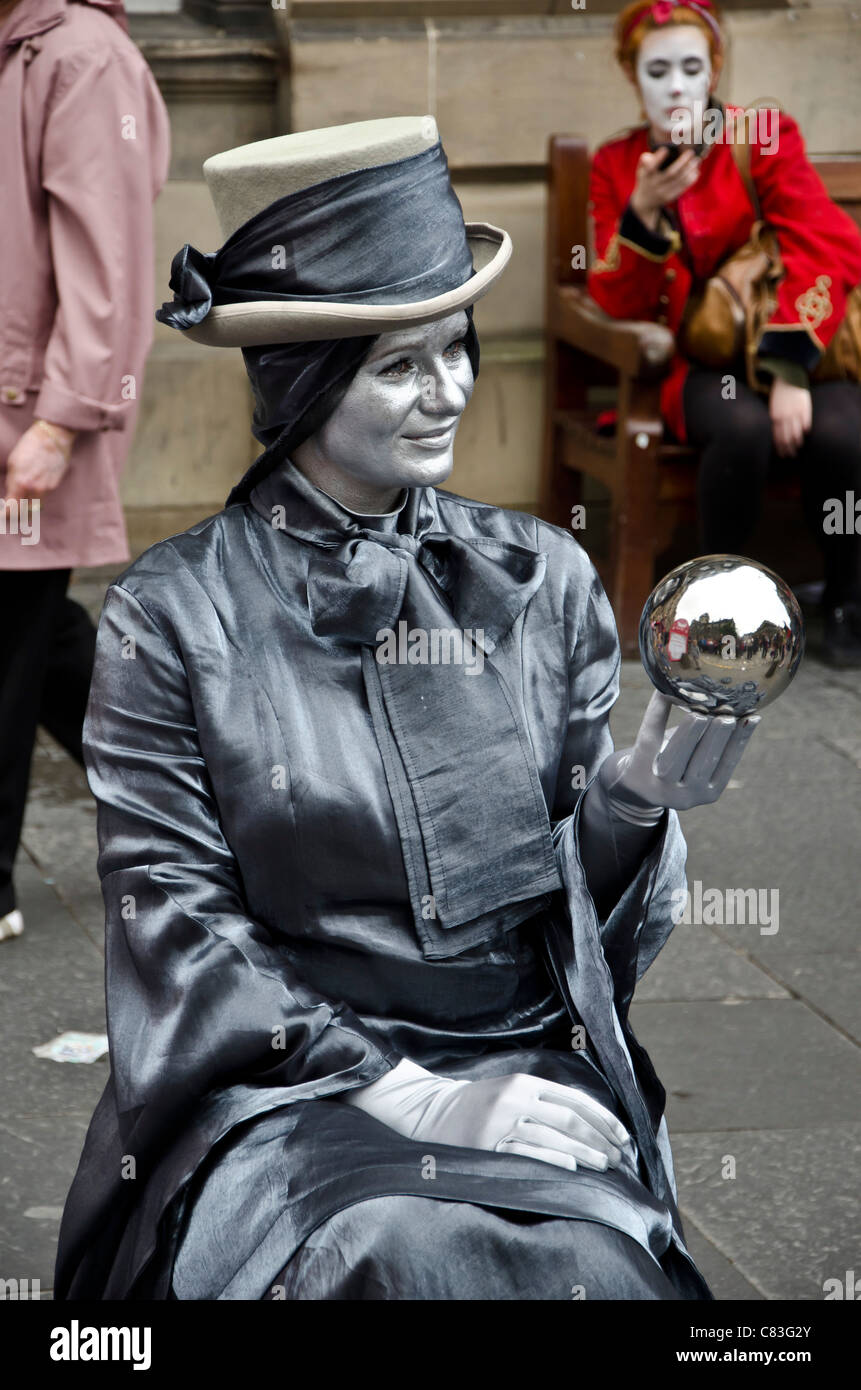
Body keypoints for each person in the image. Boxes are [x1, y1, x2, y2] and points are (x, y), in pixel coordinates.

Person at [54, 115, 759, 1301]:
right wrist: (417, 1095)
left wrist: (632, 802)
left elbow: (571, 926)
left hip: (521, 1063)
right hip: (286, 1097)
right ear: (301, 380)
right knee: (392, 1252)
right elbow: (175, 923)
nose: (450, 393)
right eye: (399, 364)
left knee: (585, 1264)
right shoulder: (169, 617)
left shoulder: (544, 580)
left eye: (458, 347)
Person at [587, 0, 861, 667]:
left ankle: (847, 602)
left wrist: (789, 369)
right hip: (691, 363)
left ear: (713, 70)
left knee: (842, 429)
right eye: (657, 70)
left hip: (793, 345)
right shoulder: (617, 164)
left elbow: (824, 246)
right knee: (741, 428)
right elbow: (612, 301)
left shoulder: (760, 136)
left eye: (690, 66)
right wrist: (642, 216)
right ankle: (722, 608)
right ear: (632, 76)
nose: (675, 86)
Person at [0, 0, 171, 940]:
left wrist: (62, 422)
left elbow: (108, 262)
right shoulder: (21, 51)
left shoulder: (81, 59)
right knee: (42, 634)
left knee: (11, 627)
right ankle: (198, 797)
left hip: (31, 419)